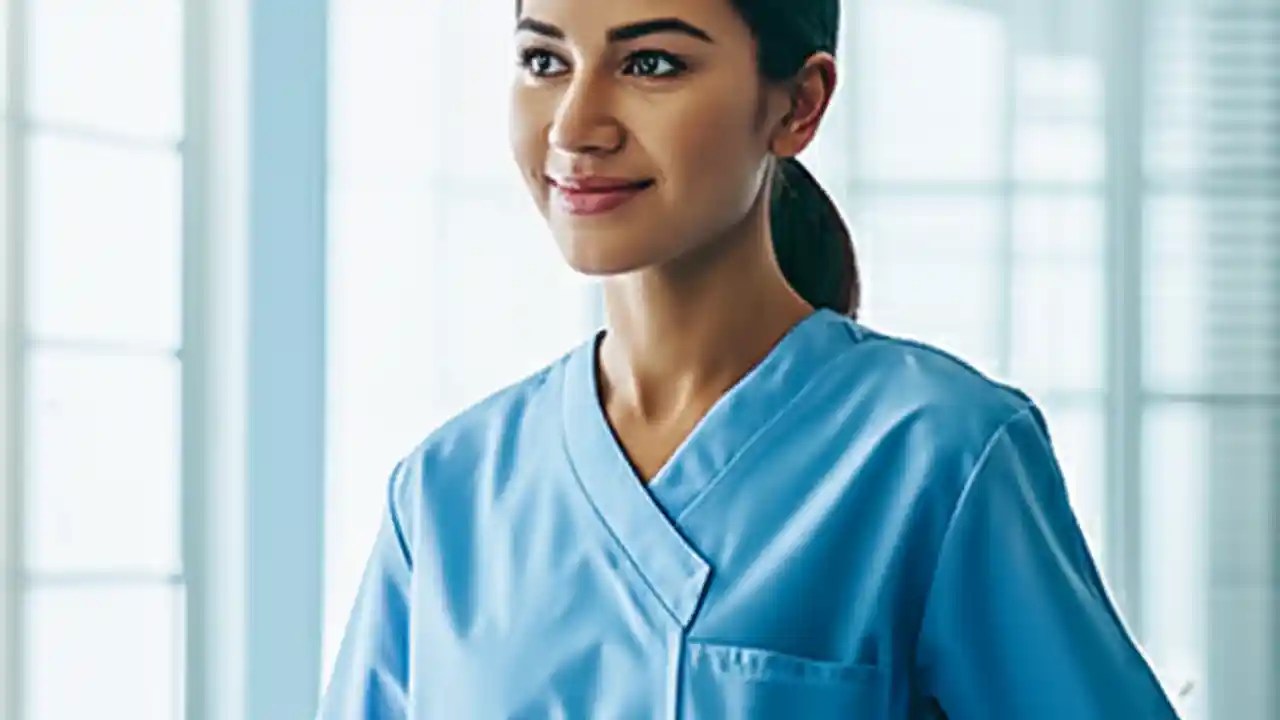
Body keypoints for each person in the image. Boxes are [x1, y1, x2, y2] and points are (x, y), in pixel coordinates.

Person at [318, 0, 1179, 717]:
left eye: (651, 64)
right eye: (545, 62)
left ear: (798, 105)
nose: (576, 126)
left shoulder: (937, 455)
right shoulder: (446, 494)